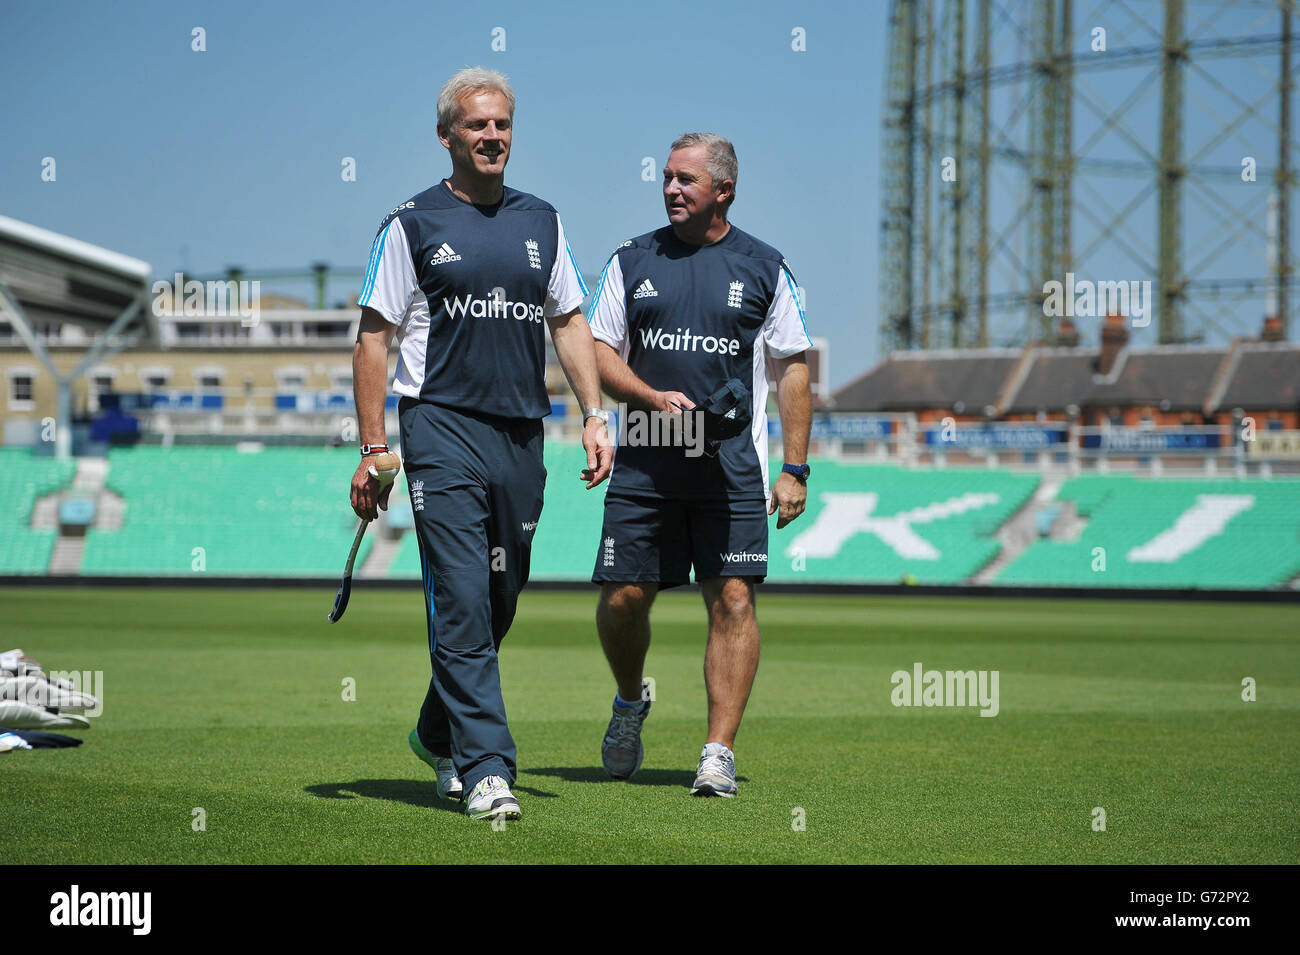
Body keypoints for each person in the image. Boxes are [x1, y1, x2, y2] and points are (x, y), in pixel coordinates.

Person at [349, 67, 612, 821]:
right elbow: (375, 339)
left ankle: (437, 730)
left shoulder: (544, 222)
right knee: (462, 596)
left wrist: (596, 414)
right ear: (447, 136)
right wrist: (373, 446)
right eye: (476, 125)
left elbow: (569, 320)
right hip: (439, 428)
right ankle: (487, 766)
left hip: (521, 435)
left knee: (498, 599)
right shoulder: (412, 223)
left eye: (501, 125)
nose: (492, 136)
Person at [586, 132, 812, 797]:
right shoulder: (631, 259)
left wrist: (796, 466)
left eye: (686, 179)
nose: (671, 189)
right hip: (647, 462)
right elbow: (598, 350)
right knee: (624, 598)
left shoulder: (766, 265)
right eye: (665, 177)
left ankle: (718, 751)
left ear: (725, 190)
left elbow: (793, 368)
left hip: (731, 465)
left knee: (734, 599)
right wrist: (649, 398)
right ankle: (630, 701)